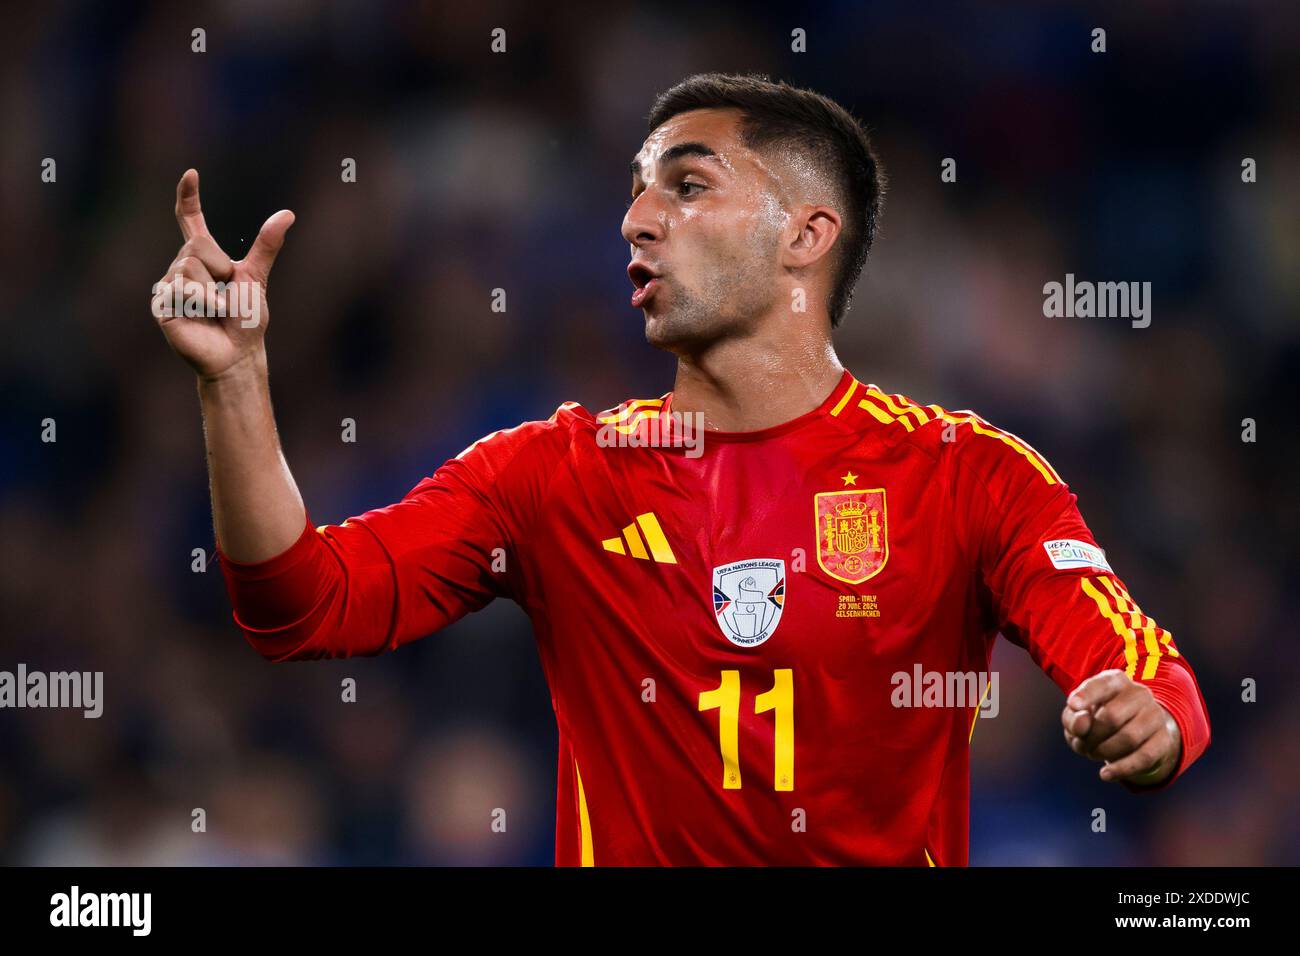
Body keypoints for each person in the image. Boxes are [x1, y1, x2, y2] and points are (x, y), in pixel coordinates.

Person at [151, 72, 1210, 865]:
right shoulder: (553, 473)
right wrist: (236, 380)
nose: (635, 219)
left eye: (686, 185)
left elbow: (1145, 669)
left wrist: (1147, 720)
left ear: (806, 234)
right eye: (634, 192)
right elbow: (298, 602)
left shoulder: (967, 472)